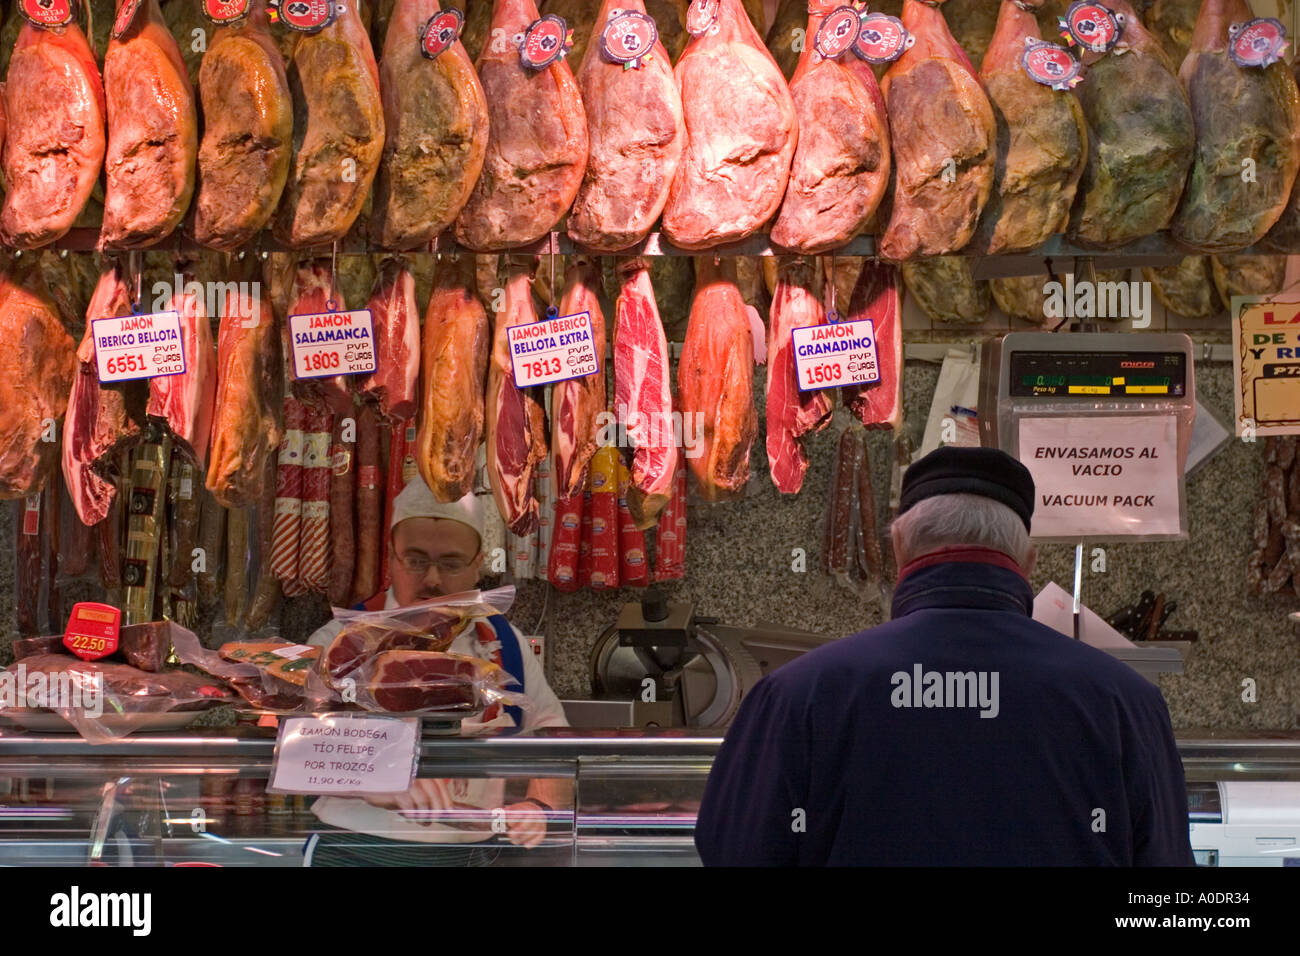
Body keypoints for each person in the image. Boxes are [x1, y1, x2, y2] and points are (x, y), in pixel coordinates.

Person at [694, 446, 1194, 866]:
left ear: (898, 549)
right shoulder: (1128, 702)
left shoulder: (793, 694)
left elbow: (734, 852)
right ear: (1028, 561)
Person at [303, 476, 569, 865]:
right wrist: (369, 774)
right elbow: (282, 741)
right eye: (415, 559)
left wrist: (539, 807)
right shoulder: (343, 639)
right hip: (355, 850)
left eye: (450, 563)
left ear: (478, 565)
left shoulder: (504, 642)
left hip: (468, 855)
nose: (431, 579)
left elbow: (552, 734)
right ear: (392, 559)